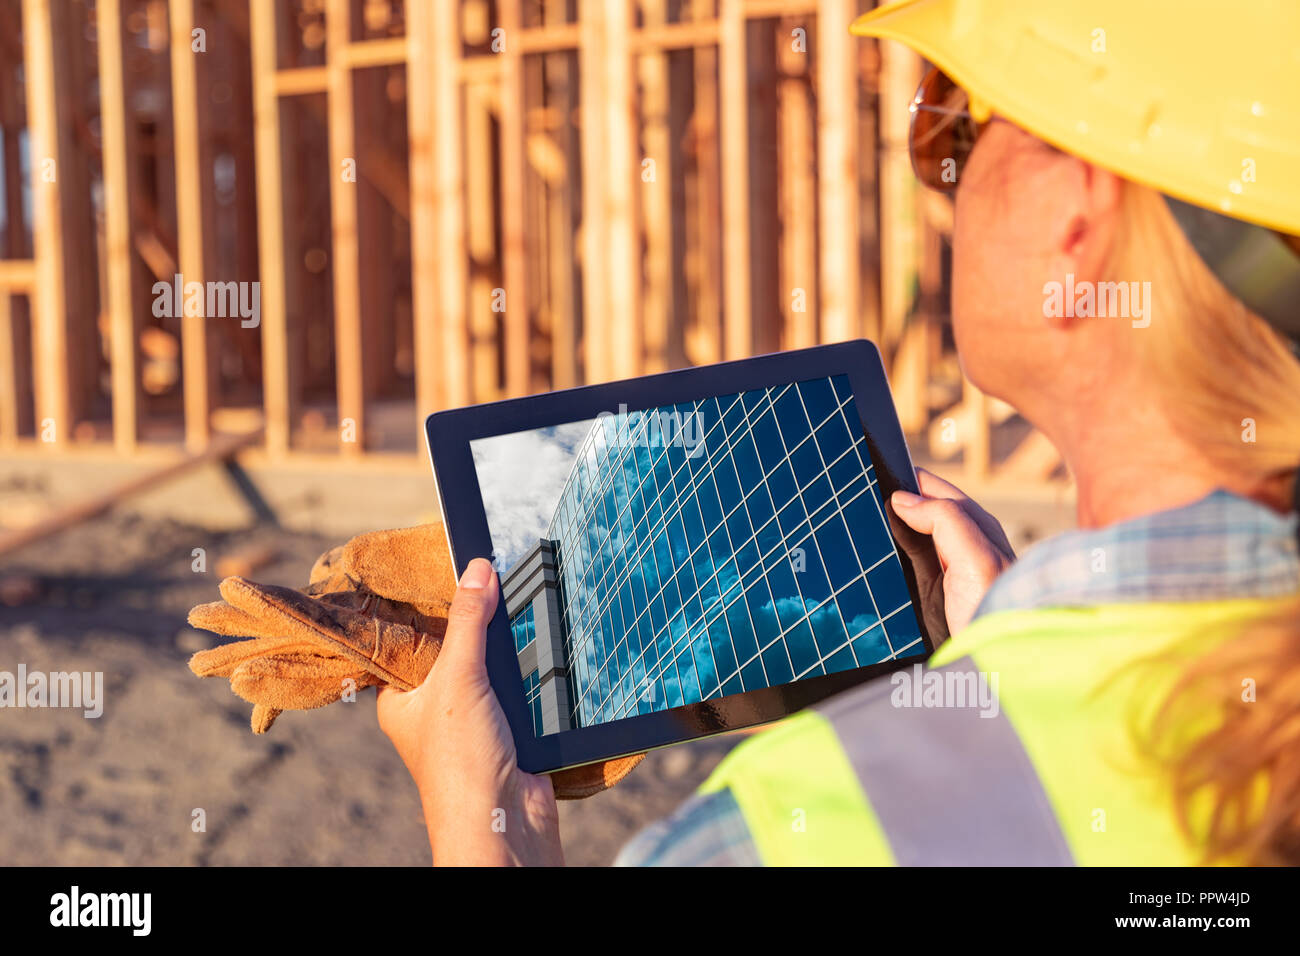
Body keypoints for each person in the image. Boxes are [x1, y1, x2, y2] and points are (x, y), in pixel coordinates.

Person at [377, 0, 1300, 865]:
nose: (943, 178)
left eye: (959, 124)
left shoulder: (792, 830)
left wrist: (486, 824)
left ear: (1076, 221)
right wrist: (1012, 648)